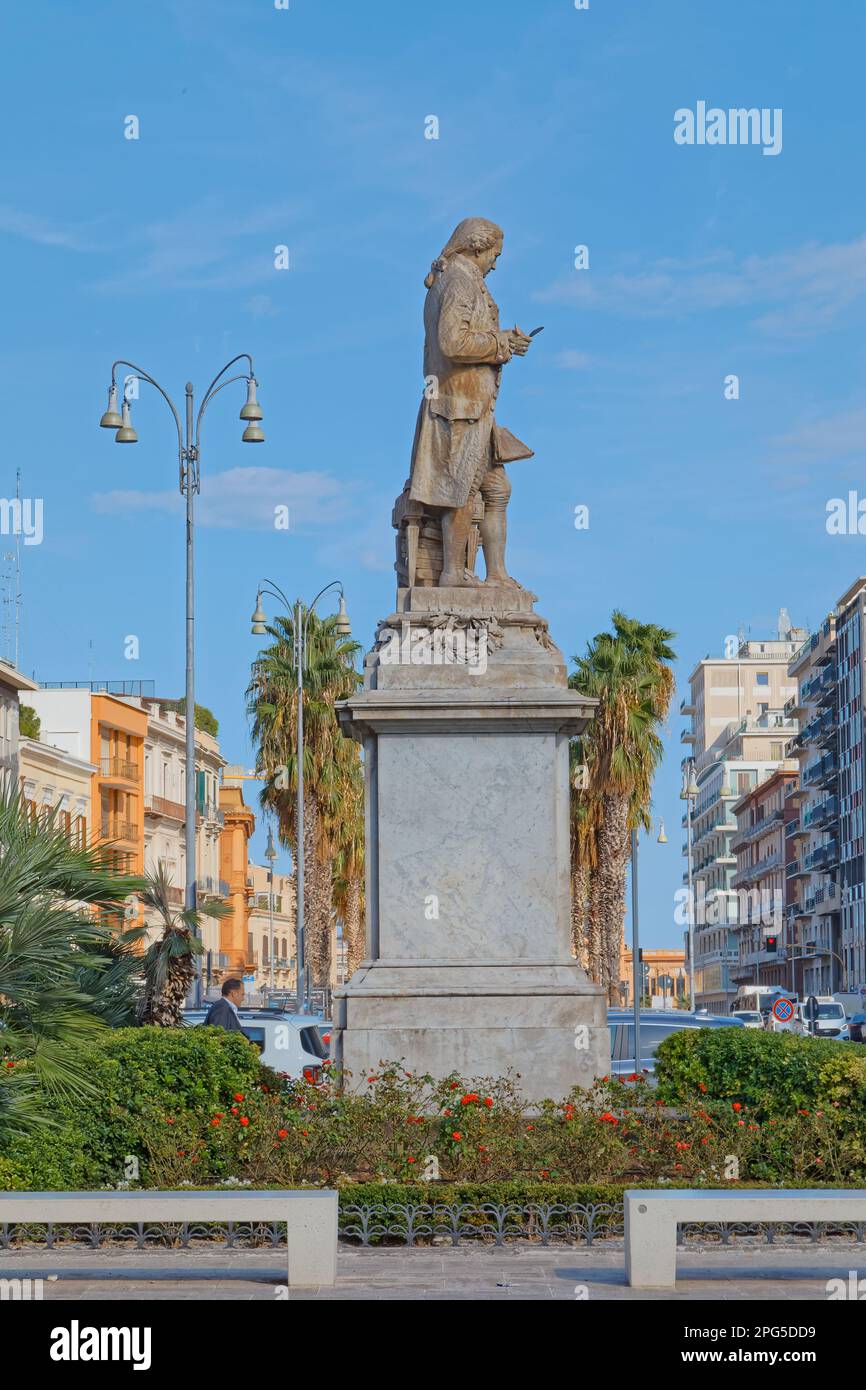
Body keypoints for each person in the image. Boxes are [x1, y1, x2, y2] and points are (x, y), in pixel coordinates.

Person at [408, 217, 534, 587]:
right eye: (495, 255)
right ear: (477, 247)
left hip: (474, 405)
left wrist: (505, 339)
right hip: (458, 406)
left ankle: (495, 574)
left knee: (496, 489)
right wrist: (501, 344)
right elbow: (453, 342)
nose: (495, 263)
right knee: (461, 487)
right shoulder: (459, 280)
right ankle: (454, 573)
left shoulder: (458, 279)